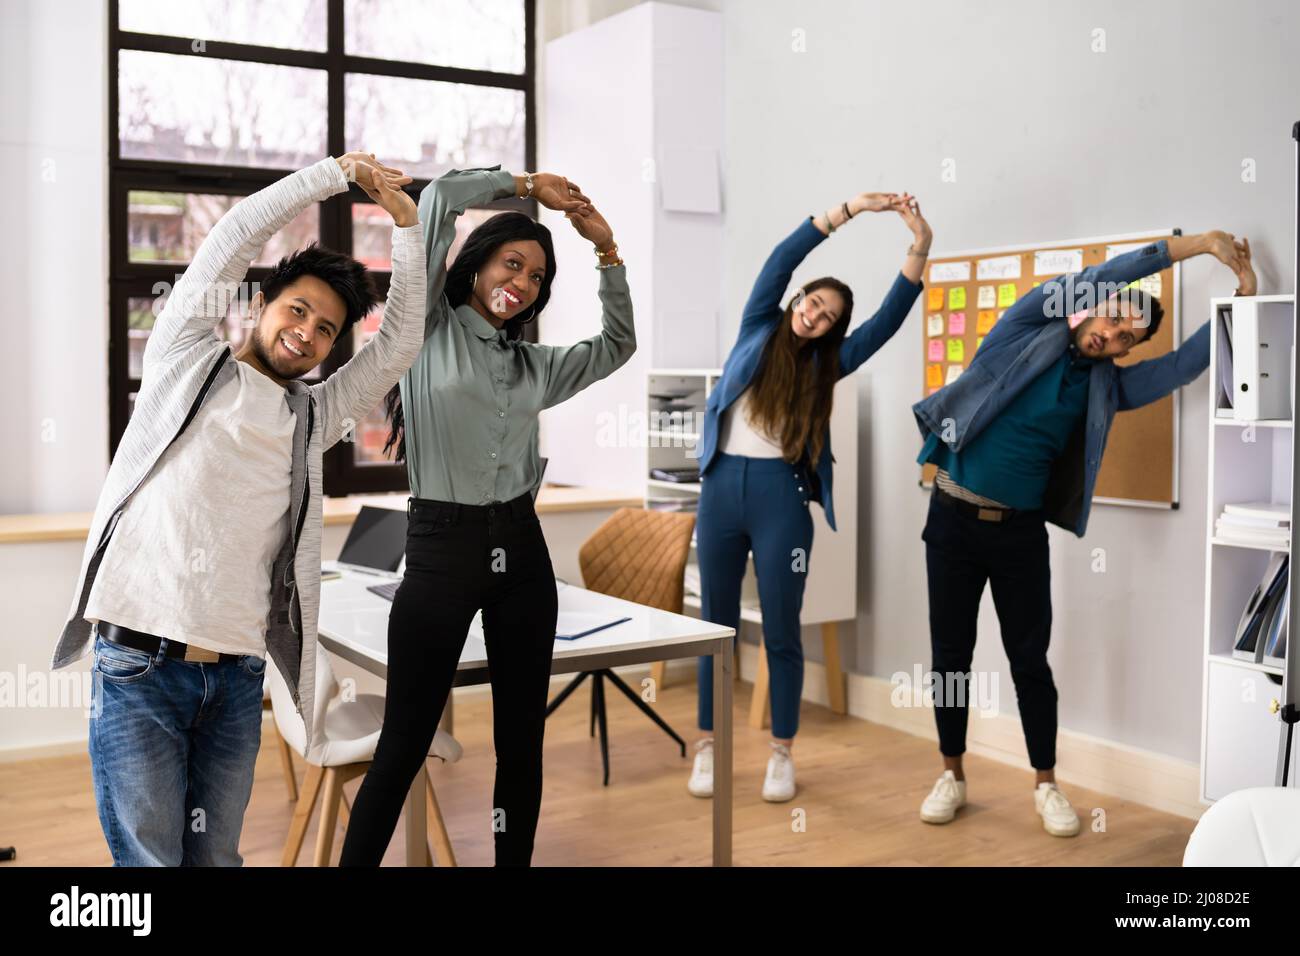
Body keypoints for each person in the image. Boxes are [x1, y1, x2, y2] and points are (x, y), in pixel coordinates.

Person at [51, 152, 425, 865]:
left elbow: (401, 342)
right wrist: (333, 174)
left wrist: (407, 229)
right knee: (151, 863)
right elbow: (233, 236)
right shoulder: (186, 359)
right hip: (139, 664)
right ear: (261, 307)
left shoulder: (314, 416)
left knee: (216, 860)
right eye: (298, 310)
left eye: (324, 329)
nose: (307, 333)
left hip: (235, 677)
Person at [913, 231, 1257, 836]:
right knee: (950, 658)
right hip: (952, 521)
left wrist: (1243, 297)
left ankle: (1046, 784)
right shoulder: (1027, 327)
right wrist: (1201, 244)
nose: (1113, 335)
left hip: (1019, 537)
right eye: (1114, 318)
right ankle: (952, 773)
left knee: (1030, 662)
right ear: (1094, 304)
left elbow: (1182, 365)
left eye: (1128, 338)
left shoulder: (1107, 387)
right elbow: (1116, 270)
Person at [339, 167, 635, 866]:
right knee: (403, 744)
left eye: (537, 276)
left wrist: (608, 252)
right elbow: (436, 201)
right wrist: (528, 185)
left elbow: (617, 346)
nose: (525, 282)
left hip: (522, 558)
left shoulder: (531, 366)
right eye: (513, 263)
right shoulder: (425, 327)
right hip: (441, 550)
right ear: (476, 265)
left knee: (520, 746)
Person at [688, 191, 931, 801]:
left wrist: (919, 248)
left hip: (781, 497)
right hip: (720, 486)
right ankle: (709, 745)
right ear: (798, 299)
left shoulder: (831, 363)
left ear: (832, 330)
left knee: (781, 630)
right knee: (713, 625)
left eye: (827, 316)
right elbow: (782, 256)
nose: (815, 316)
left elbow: (887, 321)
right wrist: (852, 209)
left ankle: (781, 752)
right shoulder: (757, 325)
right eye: (812, 302)